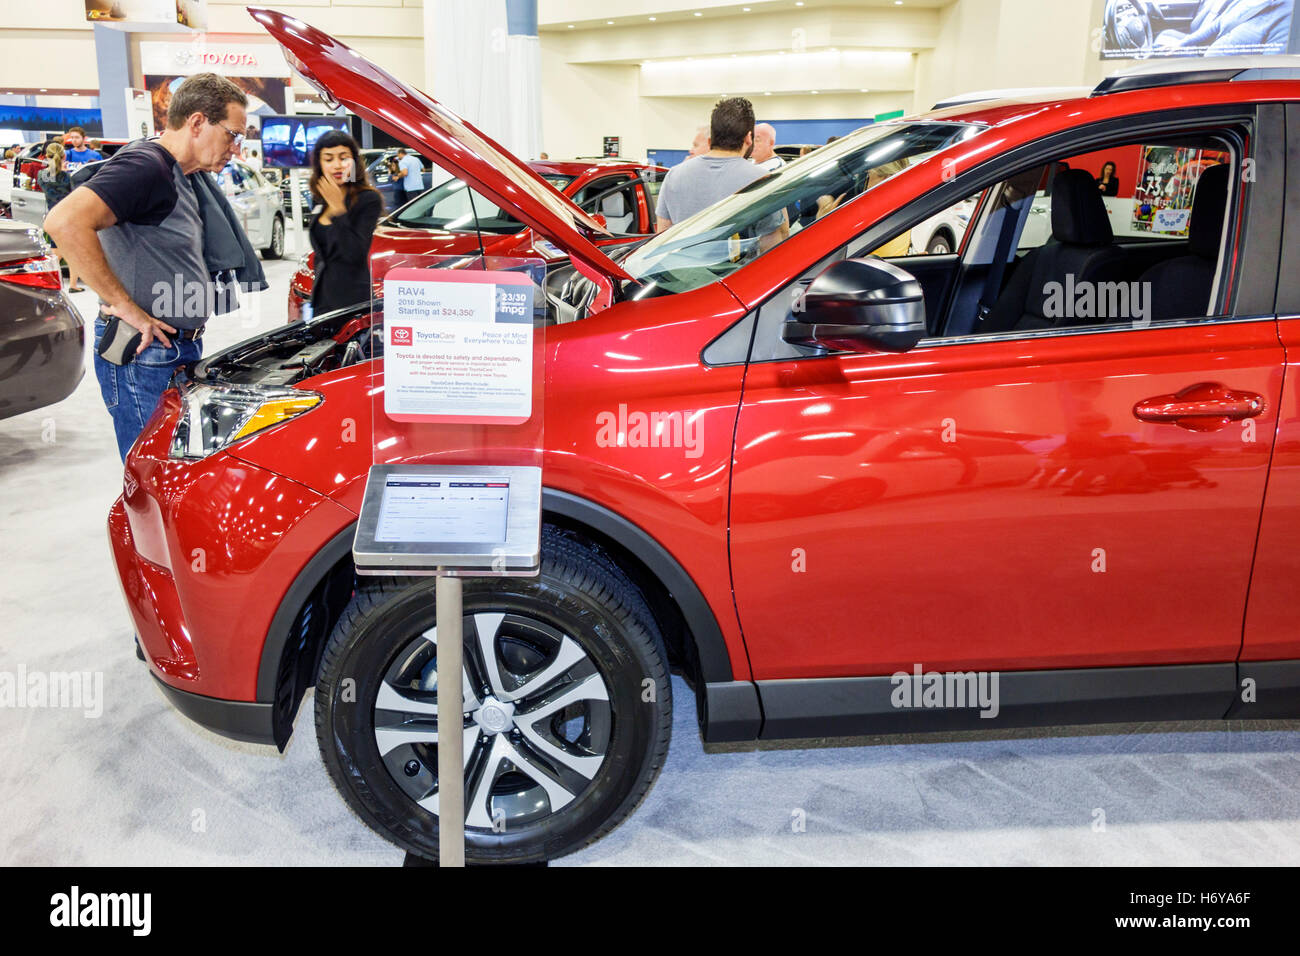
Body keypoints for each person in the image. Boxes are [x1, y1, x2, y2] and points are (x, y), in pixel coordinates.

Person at [44, 72, 264, 461]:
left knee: (174, 473)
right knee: (153, 475)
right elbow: (64, 222)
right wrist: (123, 304)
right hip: (144, 356)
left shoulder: (184, 175)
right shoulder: (147, 166)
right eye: (233, 134)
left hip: (172, 349)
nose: (236, 147)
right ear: (197, 122)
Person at [656, 97, 769, 231]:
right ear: (748, 138)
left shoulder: (674, 175)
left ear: (711, 139)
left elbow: (663, 234)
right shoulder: (762, 179)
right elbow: (773, 239)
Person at [308, 130, 383, 317]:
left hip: (352, 301)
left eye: (344, 158)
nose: (337, 165)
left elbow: (354, 252)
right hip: (322, 301)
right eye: (328, 159)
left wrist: (338, 209)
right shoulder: (321, 197)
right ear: (320, 163)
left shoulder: (368, 199)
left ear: (354, 161)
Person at [37, 143, 84, 292]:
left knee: (56, 252)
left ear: (46, 156)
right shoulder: (68, 176)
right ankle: (72, 285)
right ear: (64, 156)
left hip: (52, 216)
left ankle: (52, 282)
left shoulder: (42, 175)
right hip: (69, 217)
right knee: (73, 252)